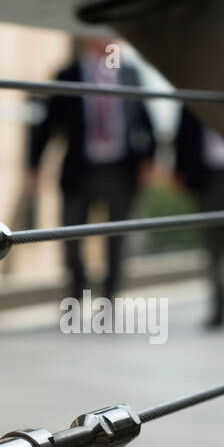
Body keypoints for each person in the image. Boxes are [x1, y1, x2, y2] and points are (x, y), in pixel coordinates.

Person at [28, 37, 156, 299]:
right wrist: (34, 165)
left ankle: (110, 296)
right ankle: (77, 293)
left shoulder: (130, 73)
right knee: (72, 237)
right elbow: (48, 124)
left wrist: (149, 160)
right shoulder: (68, 74)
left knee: (117, 239)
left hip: (121, 169)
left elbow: (145, 119)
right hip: (80, 170)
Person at [173, 106, 224, 329]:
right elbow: (182, 137)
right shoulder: (192, 98)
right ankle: (219, 310)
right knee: (213, 249)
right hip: (207, 179)